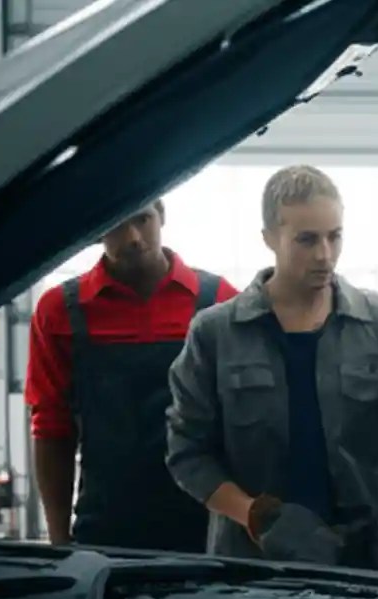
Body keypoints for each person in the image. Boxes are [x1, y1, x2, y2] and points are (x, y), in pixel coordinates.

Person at [166, 165, 378, 571]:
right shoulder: (215, 333)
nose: (324, 254)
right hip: (252, 566)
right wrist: (256, 516)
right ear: (269, 238)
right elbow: (187, 453)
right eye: (306, 240)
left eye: (334, 236)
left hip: (364, 563)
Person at [25, 199, 238, 551]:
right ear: (96, 231)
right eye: (117, 224)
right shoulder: (59, 312)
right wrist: (60, 542)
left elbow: (247, 421)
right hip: (105, 528)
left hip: (205, 527)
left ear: (163, 216)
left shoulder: (219, 301)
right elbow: (51, 429)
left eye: (143, 220)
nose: (134, 237)